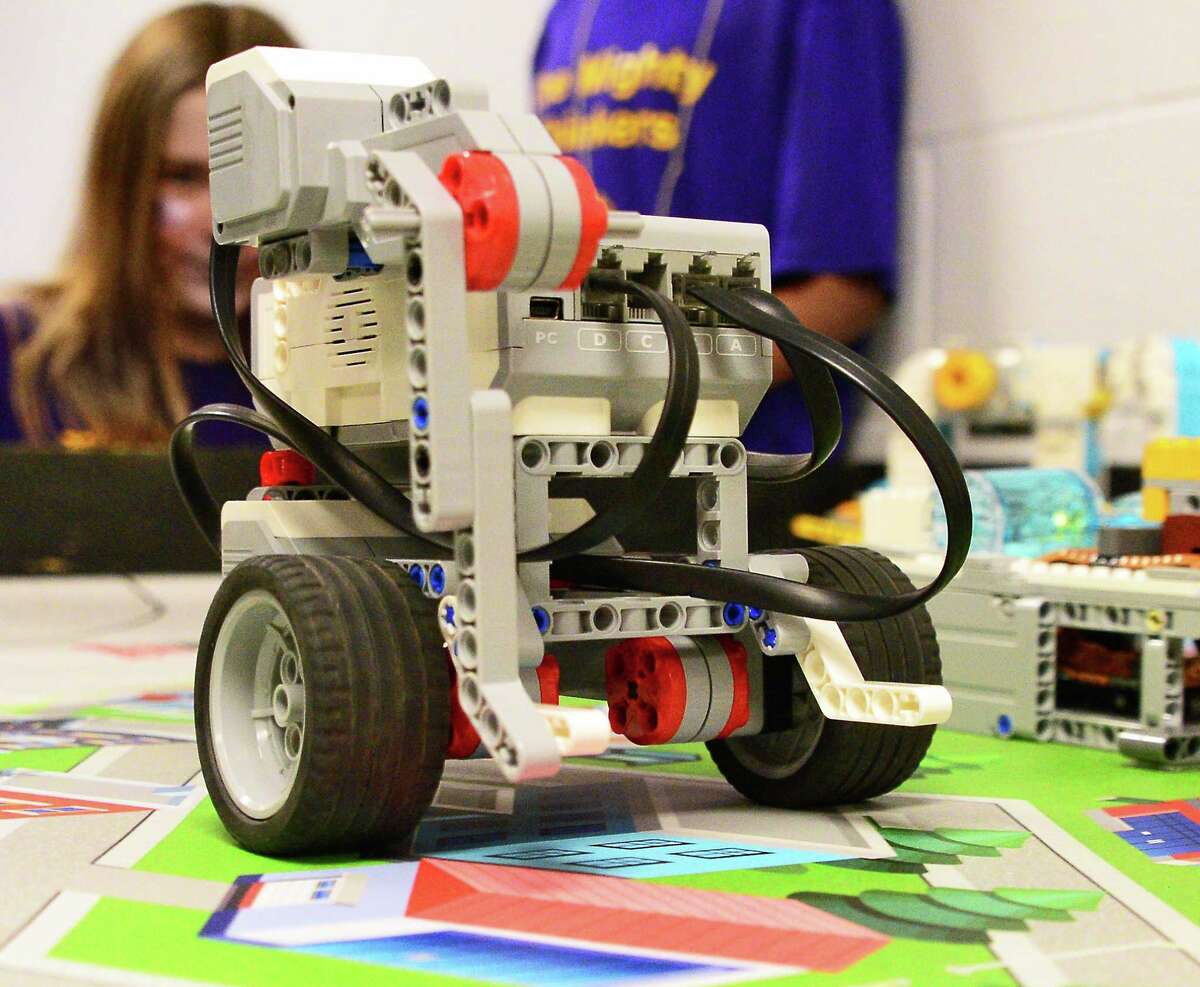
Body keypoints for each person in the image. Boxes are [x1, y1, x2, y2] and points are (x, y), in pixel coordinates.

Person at [533, 0, 904, 457]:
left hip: (744, 470)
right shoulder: (566, 14)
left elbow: (842, 294)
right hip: (567, 450)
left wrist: (617, 373)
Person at [0, 3, 296, 447]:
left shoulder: (354, 377)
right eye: (183, 178)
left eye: (250, 181)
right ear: (118, 184)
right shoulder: (19, 361)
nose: (221, 225)